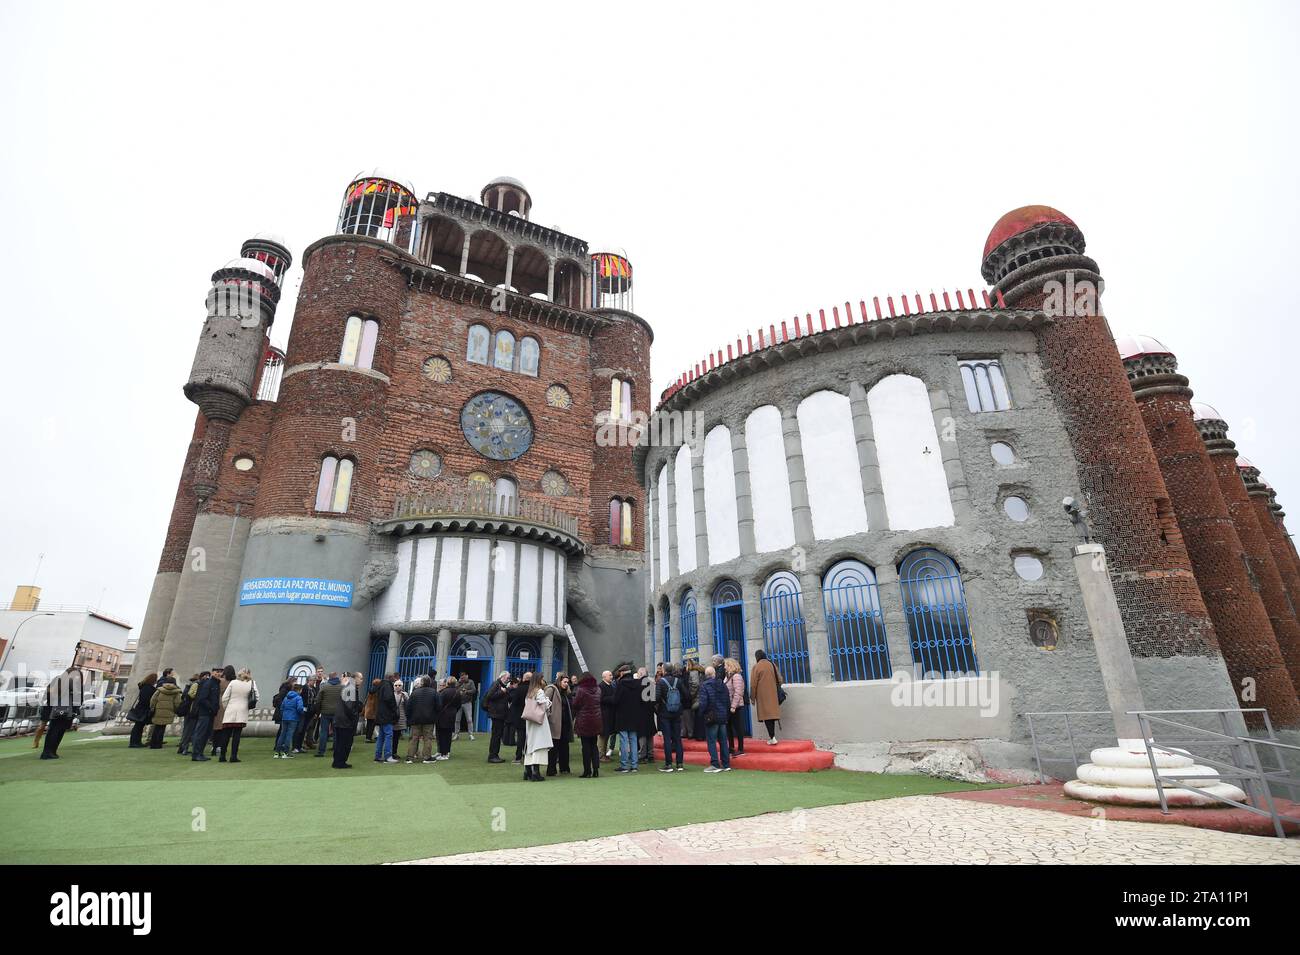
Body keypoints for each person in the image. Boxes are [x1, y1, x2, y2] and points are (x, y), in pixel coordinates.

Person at [39, 665, 84, 760]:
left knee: (53, 730)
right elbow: (79, 698)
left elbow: (47, 694)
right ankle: (51, 752)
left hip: (54, 709)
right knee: (59, 731)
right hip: (67, 710)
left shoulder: (58, 680)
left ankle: (48, 752)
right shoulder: (75, 683)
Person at [697, 666, 732, 773]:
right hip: (722, 716)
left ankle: (715, 764)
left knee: (711, 741)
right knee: (723, 741)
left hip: (711, 716)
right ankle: (726, 764)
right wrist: (726, 713)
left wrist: (701, 714)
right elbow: (727, 700)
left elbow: (703, 702)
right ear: (714, 674)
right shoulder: (722, 685)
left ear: (706, 675)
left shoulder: (704, 686)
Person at [521, 672, 552, 781]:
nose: (544, 681)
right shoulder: (539, 691)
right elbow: (544, 704)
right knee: (539, 745)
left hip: (530, 721)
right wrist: (548, 701)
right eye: (542, 679)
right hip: (539, 722)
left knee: (530, 745)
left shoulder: (530, 692)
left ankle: (527, 770)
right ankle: (536, 772)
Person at [656, 662, 688, 772]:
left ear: (664, 670)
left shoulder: (660, 682)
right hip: (677, 713)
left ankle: (668, 764)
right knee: (678, 738)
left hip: (665, 713)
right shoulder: (678, 681)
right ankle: (680, 764)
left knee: (667, 738)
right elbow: (686, 694)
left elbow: (656, 697)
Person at [571, 671, 603, 778]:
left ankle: (587, 770)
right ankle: (596, 769)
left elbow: (575, 704)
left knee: (585, 747)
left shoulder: (581, 690)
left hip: (584, 721)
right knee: (594, 745)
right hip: (596, 720)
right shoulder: (598, 689)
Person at [613, 665, 643, 773]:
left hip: (622, 715)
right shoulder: (637, 684)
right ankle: (634, 765)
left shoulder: (620, 684)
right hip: (634, 715)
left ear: (622, 673)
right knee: (634, 740)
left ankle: (624, 765)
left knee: (624, 740)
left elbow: (616, 700)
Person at [220, 668, 254, 762]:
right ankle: (233, 756)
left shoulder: (233, 683)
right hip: (242, 710)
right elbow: (256, 696)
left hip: (230, 709)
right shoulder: (251, 683)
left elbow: (225, 697)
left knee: (226, 735)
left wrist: (227, 707)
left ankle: (222, 756)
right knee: (236, 736)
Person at [751, 649, 783, 745]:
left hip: (762, 696)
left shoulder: (756, 667)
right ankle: (772, 736)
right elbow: (780, 679)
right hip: (773, 694)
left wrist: (752, 698)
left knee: (766, 716)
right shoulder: (772, 664)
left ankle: (772, 737)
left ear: (757, 657)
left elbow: (753, 684)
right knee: (771, 715)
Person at [332, 673, 363, 769]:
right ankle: (340, 762)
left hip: (341, 720)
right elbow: (349, 707)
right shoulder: (351, 688)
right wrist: (355, 716)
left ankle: (338, 761)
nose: (362, 680)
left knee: (340, 742)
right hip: (345, 721)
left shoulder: (349, 687)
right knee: (344, 743)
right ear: (355, 678)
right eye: (361, 678)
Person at [403, 676, 437, 763]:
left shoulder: (415, 693)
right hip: (429, 719)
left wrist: (409, 718)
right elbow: (439, 706)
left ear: (421, 683)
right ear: (429, 683)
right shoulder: (433, 692)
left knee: (414, 738)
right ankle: (427, 757)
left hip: (415, 719)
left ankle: (410, 757)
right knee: (427, 738)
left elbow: (408, 706)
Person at [545, 672, 573, 776]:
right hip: (554, 724)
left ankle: (564, 768)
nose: (566, 684)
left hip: (564, 724)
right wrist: (550, 715)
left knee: (564, 747)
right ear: (559, 681)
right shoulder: (551, 689)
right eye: (565, 682)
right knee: (553, 748)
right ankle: (551, 770)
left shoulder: (566, 693)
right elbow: (544, 703)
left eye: (567, 682)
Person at [190, 670, 219, 762]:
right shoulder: (209, 684)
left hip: (210, 713)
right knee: (201, 733)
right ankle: (196, 753)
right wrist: (211, 708)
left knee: (205, 734)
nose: (219, 674)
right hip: (205, 713)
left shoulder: (214, 684)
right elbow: (202, 698)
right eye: (217, 672)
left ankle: (200, 753)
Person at [147, 675, 182, 749]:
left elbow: (153, 700)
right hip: (169, 712)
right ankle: (158, 744)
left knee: (156, 727)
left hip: (158, 711)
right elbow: (177, 703)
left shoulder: (159, 690)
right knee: (162, 728)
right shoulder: (176, 692)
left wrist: (152, 707)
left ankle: (153, 744)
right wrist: (176, 710)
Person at [483, 671, 511, 763]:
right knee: (496, 735)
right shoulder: (496, 684)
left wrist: (507, 690)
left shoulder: (502, 685)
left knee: (497, 735)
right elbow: (489, 695)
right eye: (507, 678)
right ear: (502, 677)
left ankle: (495, 754)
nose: (508, 679)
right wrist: (502, 692)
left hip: (500, 714)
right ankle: (492, 756)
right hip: (496, 714)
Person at [210, 665, 235, 759]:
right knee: (225, 729)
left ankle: (214, 746)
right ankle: (220, 747)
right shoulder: (233, 683)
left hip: (219, 704)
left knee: (216, 728)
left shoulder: (220, 681)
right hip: (228, 705)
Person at [724, 658, 747, 759]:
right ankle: (731, 747)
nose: (724, 667)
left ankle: (741, 749)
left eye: (726, 665)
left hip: (736, 707)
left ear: (730, 666)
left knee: (738, 728)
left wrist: (733, 706)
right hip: (729, 706)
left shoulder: (736, 676)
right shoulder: (727, 676)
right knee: (729, 727)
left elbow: (738, 692)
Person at [127, 673, 157, 748]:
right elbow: (146, 700)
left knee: (139, 726)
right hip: (143, 709)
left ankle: (136, 742)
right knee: (138, 726)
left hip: (140, 708)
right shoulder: (148, 688)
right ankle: (134, 743)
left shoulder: (144, 687)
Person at [275, 680, 304, 758]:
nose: (301, 692)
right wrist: (302, 713)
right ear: (298, 690)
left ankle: (277, 752)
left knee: (282, 734)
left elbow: (282, 707)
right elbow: (299, 708)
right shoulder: (298, 698)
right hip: (293, 718)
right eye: (301, 690)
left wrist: (284, 714)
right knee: (289, 735)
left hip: (285, 718)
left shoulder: (286, 697)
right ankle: (286, 752)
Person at [374, 673, 398, 763]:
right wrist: (394, 709)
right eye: (393, 677)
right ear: (390, 678)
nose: (394, 679)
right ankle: (388, 756)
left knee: (381, 736)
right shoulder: (387, 685)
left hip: (381, 714)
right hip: (387, 715)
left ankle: (378, 756)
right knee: (388, 735)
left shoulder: (381, 685)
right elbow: (389, 698)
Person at [434, 677, 460, 760]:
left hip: (442, 715)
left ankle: (443, 753)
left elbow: (439, 705)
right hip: (452, 715)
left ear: (447, 683)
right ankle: (446, 752)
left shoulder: (444, 692)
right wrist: (454, 710)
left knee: (441, 734)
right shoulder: (457, 692)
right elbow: (459, 705)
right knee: (448, 735)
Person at [508, 671, 531, 764]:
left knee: (521, 737)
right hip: (531, 716)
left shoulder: (519, 689)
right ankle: (528, 756)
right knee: (529, 737)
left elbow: (514, 702)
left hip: (520, 716)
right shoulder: (533, 689)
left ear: (524, 678)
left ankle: (518, 757)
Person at [637, 667, 658, 766]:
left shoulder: (638, 684)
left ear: (641, 673)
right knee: (650, 734)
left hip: (641, 713)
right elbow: (653, 700)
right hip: (649, 712)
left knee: (642, 735)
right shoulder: (651, 683)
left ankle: (642, 755)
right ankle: (650, 755)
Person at [175, 673, 200, 755]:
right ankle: (184, 748)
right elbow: (192, 697)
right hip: (191, 711)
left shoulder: (187, 686)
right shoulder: (195, 687)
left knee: (186, 730)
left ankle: (182, 747)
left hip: (187, 711)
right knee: (189, 731)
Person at [293, 676, 318, 753]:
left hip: (310, 712)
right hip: (303, 712)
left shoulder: (314, 689)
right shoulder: (304, 688)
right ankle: (295, 747)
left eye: (315, 680)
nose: (314, 682)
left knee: (304, 730)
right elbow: (301, 699)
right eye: (313, 680)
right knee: (299, 730)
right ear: (309, 680)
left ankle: (300, 746)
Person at [598, 669, 618, 763]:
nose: (611, 676)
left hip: (610, 714)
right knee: (603, 735)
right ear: (604, 677)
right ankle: (601, 755)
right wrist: (613, 698)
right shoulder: (601, 686)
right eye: (609, 675)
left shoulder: (611, 686)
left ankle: (604, 754)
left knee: (607, 735)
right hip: (604, 714)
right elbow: (601, 699)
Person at [683, 659, 705, 741]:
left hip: (697, 698)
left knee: (698, 717)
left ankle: (699, 736)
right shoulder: (702, 672)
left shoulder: (693, 673)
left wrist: (690, 695)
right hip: (703, 697)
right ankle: (702, 735)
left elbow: (695, 685)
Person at [453, 672, 477, 741]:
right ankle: (456, 734)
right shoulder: (459, 682)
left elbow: (474, 690)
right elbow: (454, 689)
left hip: (467, 703)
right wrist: (459, 683)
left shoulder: (470, 682)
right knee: (457, 719)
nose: (463, 679)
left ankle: (471, 734)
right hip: (458, 703)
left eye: (464, 677)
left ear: (467, 676)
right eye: (461, 677)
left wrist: (466, 691)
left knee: (469, 719)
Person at [392, 678, 409, 756]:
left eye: (399, 685)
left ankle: (394, 752)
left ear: (402, 686)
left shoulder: (404, 694)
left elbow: (408, 706)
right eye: (396, 685)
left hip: (401, 718)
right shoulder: (391, 694)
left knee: (396, 737)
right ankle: (391, 753)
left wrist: (405, 697)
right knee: (391, 737)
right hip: (392, 718)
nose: (397, 686)